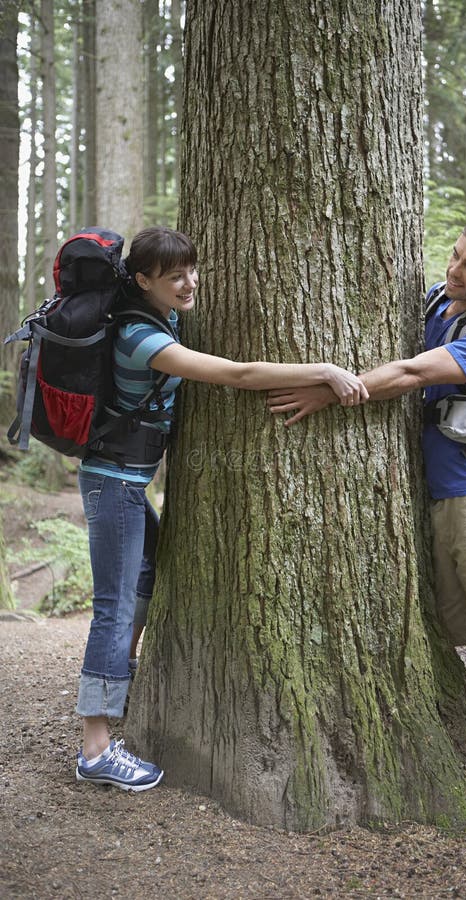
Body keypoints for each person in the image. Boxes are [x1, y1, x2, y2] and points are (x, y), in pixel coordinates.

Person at [75, 225, 368, 792]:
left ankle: (121, 679)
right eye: (173, 276)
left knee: (147, 576)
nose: (189, 283)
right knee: (112, 606)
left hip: (128, 482)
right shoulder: (140, 335)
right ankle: (95, 747)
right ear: (142, 281)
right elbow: (236, 375)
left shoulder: (162, 317)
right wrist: (323, 371)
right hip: (113, 483)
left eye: (191, 269)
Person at [268, 215, 466, 776]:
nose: (455, 270)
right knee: (448, 611)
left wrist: (329, 391)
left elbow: (415, 372)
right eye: (456, 255)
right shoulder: (440, 301)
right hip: (438, 489)